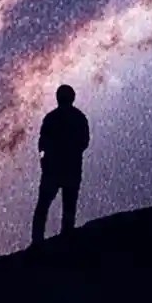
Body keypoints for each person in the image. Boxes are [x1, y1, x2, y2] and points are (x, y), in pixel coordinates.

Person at [31, 84, 90, 244]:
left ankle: (38, 243)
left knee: (44, 207)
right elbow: (84, 142)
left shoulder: (51, 118)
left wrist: (44, 160)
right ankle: (66, 239)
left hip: (54, 169)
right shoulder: (79, 117)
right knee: (68, 206)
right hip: (69, 168)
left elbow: (42, 144)